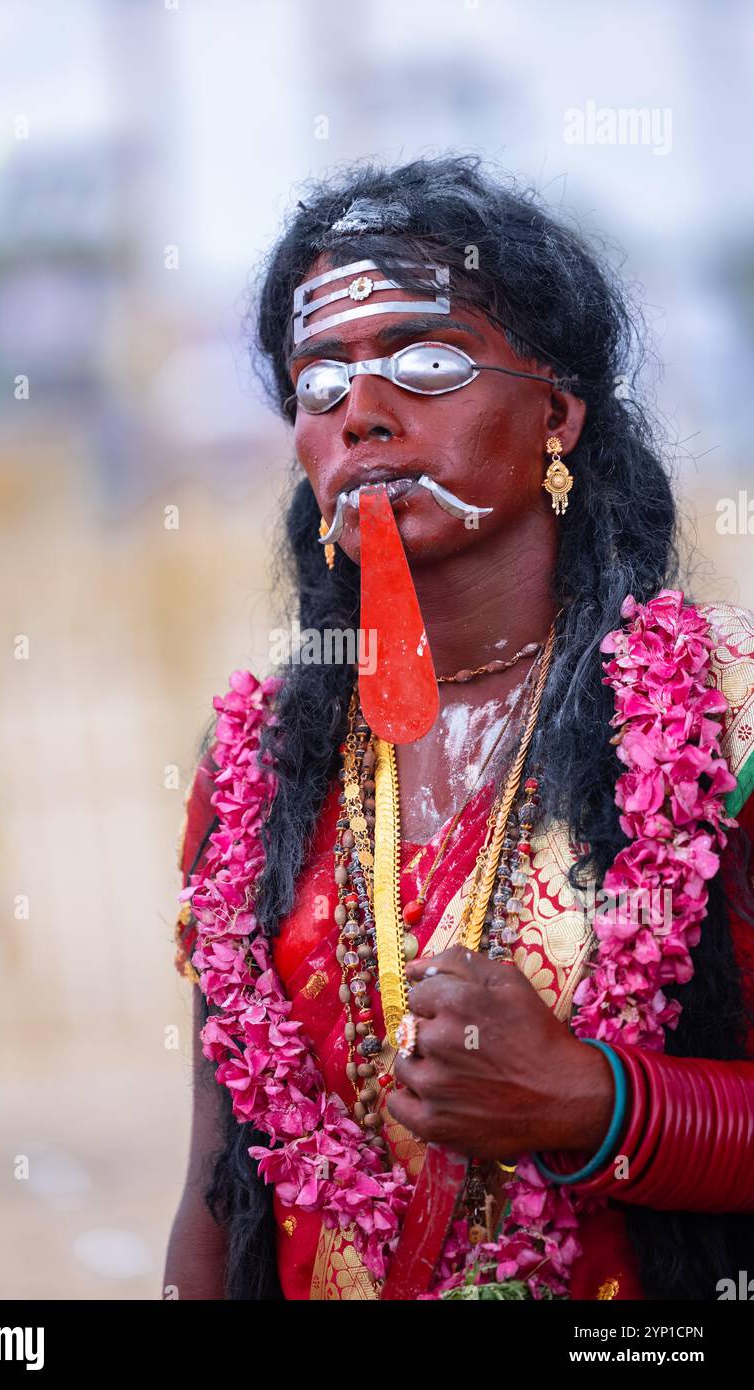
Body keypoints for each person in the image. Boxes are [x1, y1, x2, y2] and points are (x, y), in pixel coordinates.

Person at [164, 155, 754, 1302]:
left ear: (558, 414)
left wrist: (590, 1099)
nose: (363, 412)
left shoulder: (724, 723)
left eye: (426, 362)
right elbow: (213, 1184)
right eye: (320, 382)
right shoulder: (253, 770)